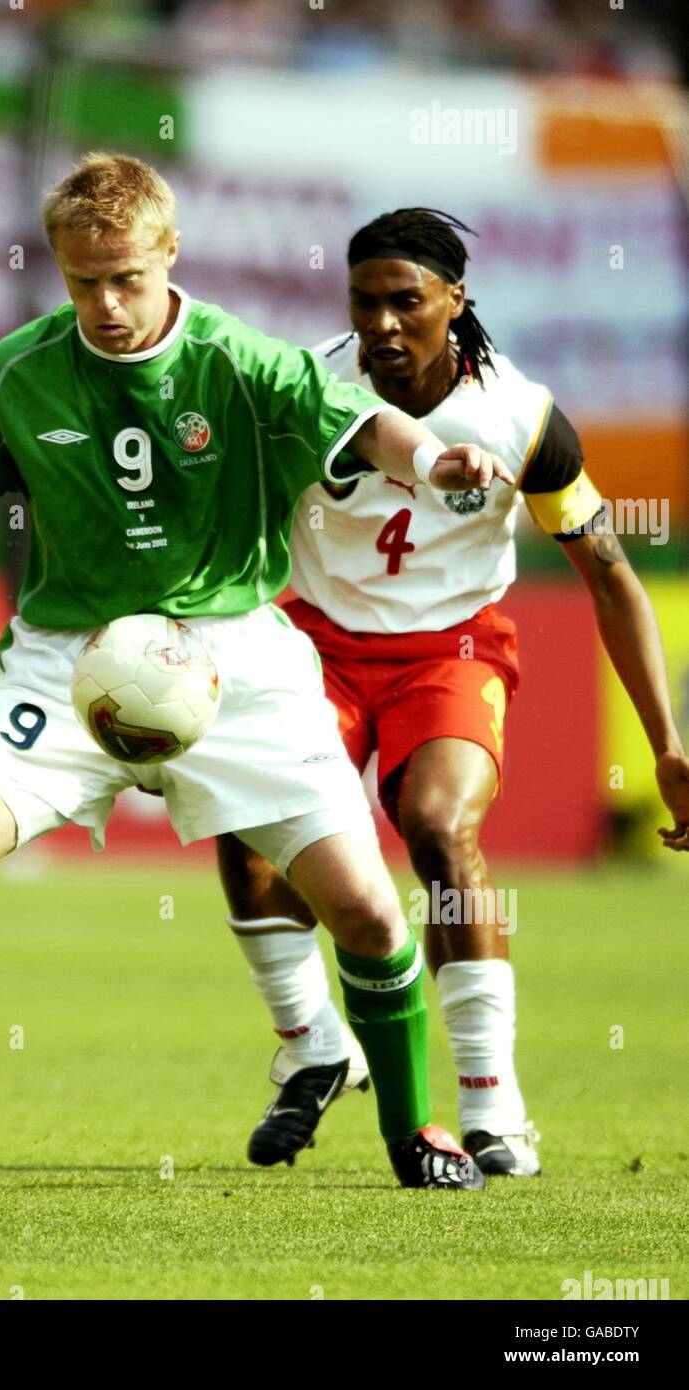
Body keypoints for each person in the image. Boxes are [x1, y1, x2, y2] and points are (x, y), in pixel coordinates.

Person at [0, 161, 512, 1191]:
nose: (106, 305)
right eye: (83, 284)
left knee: (371, 915)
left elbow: (366, 425)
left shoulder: (237, 360)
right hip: (68, 661)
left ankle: (414, 1134)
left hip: (237, 659)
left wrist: (433, 460)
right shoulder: (9, 375)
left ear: (168, 255)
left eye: (124, 277)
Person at [219, 207, 689, 1177]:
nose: (381, 324)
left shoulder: (520, 415)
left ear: (453, 301)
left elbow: (608, 575)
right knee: (249, 820)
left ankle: (491, 1104)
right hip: (316, 643)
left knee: (436, 825)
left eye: (404, 301)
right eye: (363, 303)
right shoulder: (305, 389)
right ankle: (315, 1046)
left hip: (453, 648)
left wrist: (666, 743)